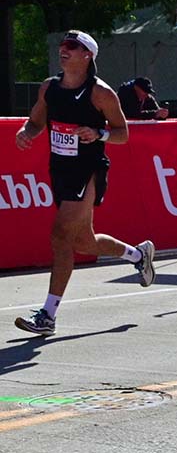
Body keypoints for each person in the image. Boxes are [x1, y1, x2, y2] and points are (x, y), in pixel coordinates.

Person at [12, 31, 156, 336]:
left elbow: (122, 133)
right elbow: (36, 121)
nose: (63, 51)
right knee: (83, 242)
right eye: (63, 46)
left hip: (88, 169)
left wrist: (98, 133)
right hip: (60, 169)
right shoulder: (49, 88)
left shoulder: (100, 93)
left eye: (72, 47)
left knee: (60, 235)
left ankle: (48, 315)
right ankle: (138, 255)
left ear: (87, 55)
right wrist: (26, 132)